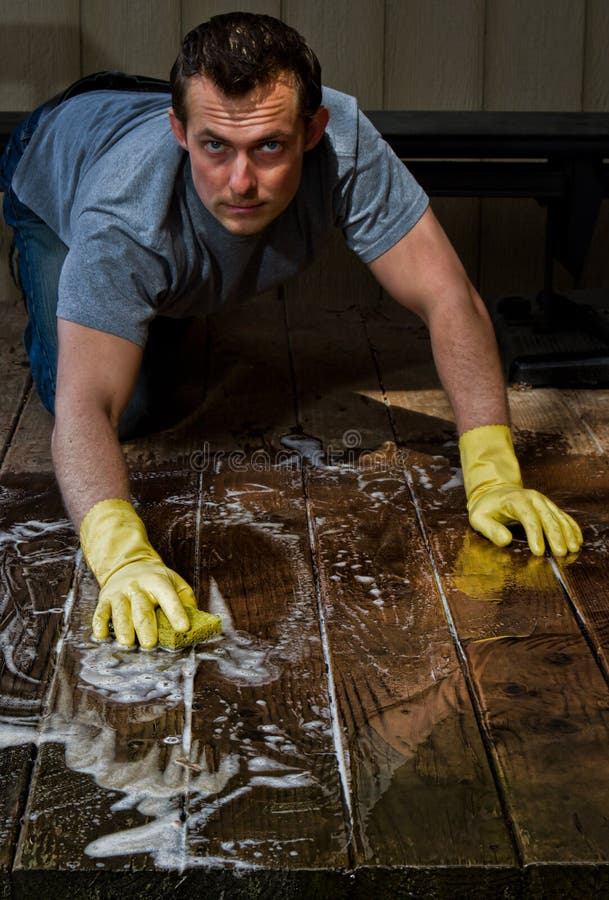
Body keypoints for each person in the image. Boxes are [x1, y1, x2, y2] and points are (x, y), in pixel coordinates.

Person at [0, 12, 582, 650]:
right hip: (55, 152)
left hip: (141, 112)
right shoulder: (120, 214)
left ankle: (136, 305)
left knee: (140, 326)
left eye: (269, 146)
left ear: (312, 130)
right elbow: (87, 409)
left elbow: (449, 298)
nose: (241, 182)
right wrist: (121, 557)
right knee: (130, 406)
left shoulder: (344, 145)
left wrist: (494, 472)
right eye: (214, 146)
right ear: (180, 132)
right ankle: (80, 293)